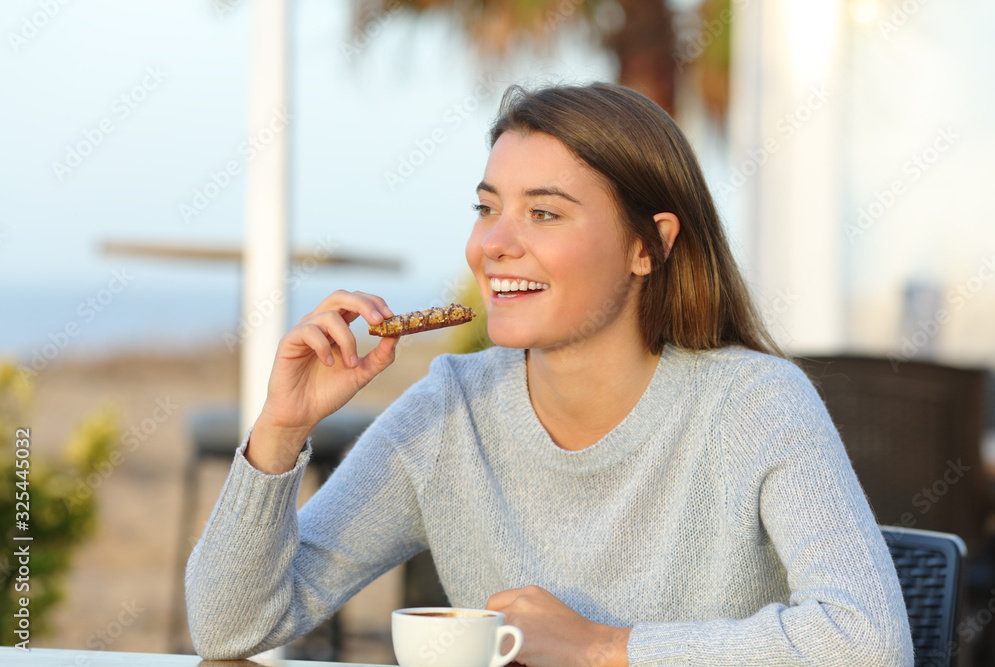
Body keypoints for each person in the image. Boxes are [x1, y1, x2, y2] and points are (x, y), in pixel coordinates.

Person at [186, 82, 913, 666]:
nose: (494, 245)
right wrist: (280, 433)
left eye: (544, 213)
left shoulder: (756, 403)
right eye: (487, 208)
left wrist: (602, 646)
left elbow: (867, 641)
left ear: (648, 246)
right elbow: (231, 626)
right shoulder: (451, 412)